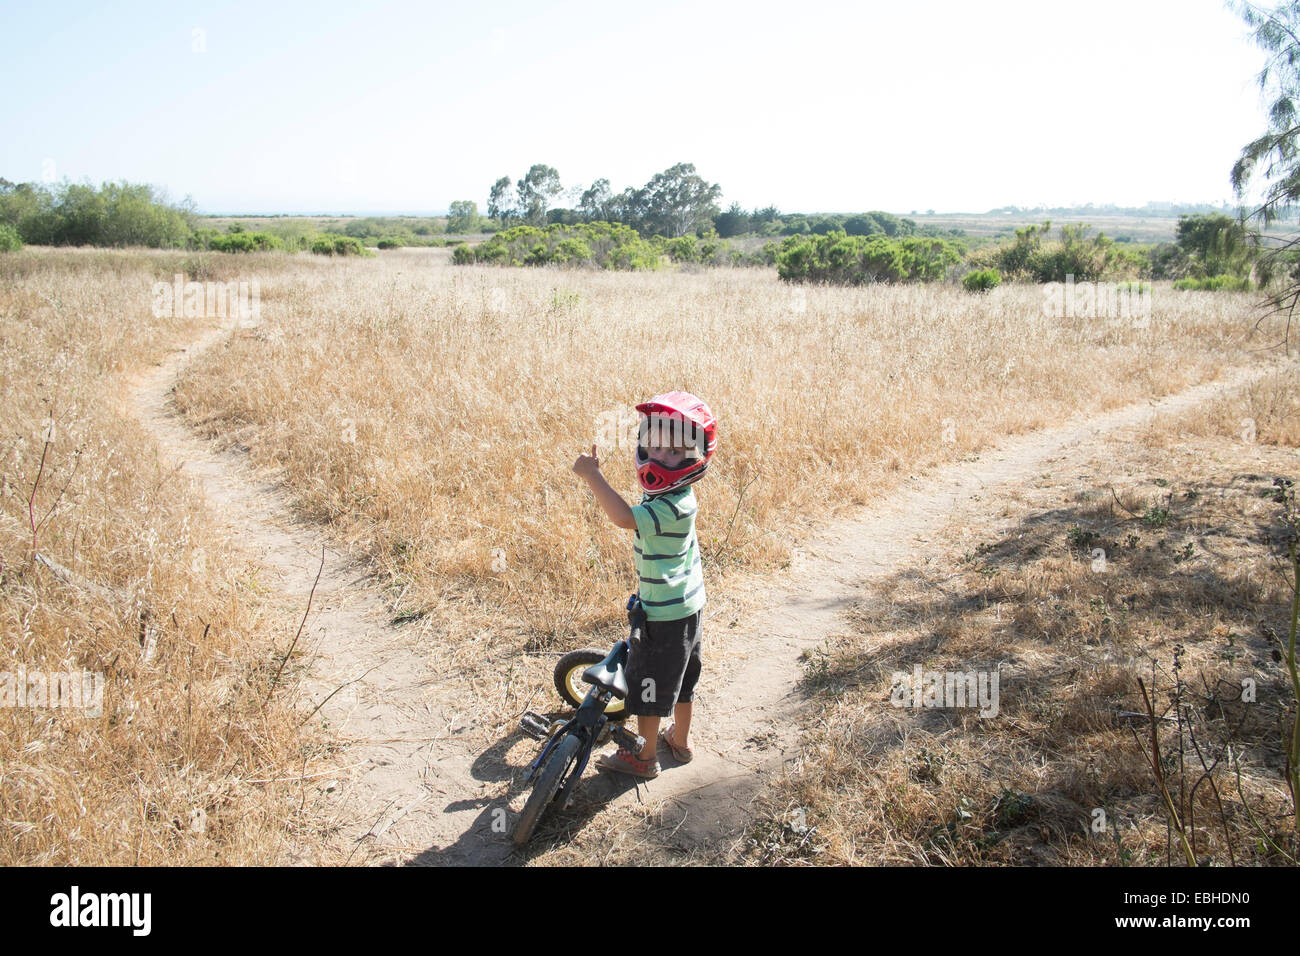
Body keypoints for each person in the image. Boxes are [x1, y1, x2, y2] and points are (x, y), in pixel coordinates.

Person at [572, 391, 717, 778]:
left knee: (648, 689)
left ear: (694, 457)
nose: (657, 459)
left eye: (671, 453)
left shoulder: (668, 506)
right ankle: (680, 741)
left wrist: (592, 476)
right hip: (688, 608)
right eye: (653, 447)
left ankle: (645, 756)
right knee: (684, 679)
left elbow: (622, 517)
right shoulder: (675, 494)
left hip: (664, 614)